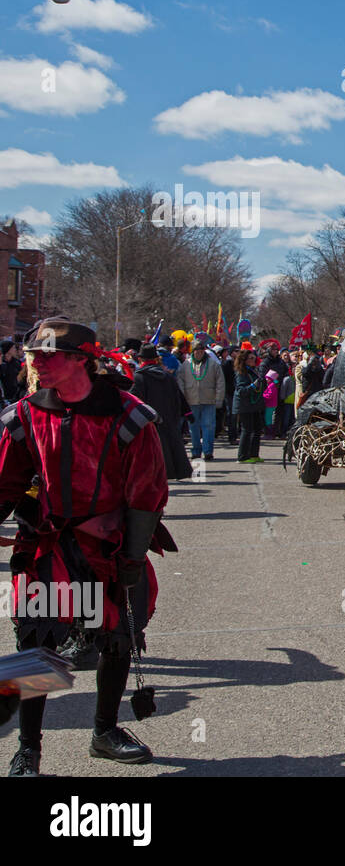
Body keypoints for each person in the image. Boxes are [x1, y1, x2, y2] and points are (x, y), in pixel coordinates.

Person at [1, 317, 174, 775]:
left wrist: (133, 558)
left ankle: (104, 731)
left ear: (82, 360)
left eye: (47, 355)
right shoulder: (25, 415)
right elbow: (5, 485)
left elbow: (147, 492)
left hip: (107, 546)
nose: (35, 362)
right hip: (47, 545)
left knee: (116, 640)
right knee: (36, 645)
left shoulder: (129, 415)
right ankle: (29, 750)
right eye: (33, 355)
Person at [129, 346, 192, 481]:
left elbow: (134, 401)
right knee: (170, 446)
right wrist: (186, 413)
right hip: (169, 418)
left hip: (149, 420)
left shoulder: (139, 377)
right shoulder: (168, 376)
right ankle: (171, 472)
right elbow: (179, 397)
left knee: (152, 450)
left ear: (140, 359)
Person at [177, 342, 225, 463]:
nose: (199, 353)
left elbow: (220, 383)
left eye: (201, 350)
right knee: (193, 427)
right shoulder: (186, 365)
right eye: (196, 350)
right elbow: (180, 382)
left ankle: (208, 451)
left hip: (209, 400)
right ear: (192, 351)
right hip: (191, 400)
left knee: (208, 426)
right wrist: (183, 399)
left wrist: (219, 399)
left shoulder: (213, 364)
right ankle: (195, 451)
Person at [232, 349, 266, 464]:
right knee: (247, 430)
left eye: (254, 358)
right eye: (250, 358)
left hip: (254, 405)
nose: (253, 360)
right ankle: (242, 456)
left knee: (257, 429)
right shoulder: (241, 373)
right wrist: (253, 385)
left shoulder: (253, 370)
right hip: (244, 405)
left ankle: (254, 454)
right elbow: (241, 391)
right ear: (244, 360)